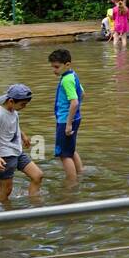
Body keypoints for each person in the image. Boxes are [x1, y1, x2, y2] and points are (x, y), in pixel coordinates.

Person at [0, 84, 42, 201]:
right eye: (23, 104)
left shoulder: (13, 110)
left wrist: (23, 136)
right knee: (6, 190)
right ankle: (2, 214)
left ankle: (35, 206)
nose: (24, 107)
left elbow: (13, 125)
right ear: (11, 101)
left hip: (17, 151)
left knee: (37, 175)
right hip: (4, 156)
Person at [49, 48, 85, 183]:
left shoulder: (66, 80)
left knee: (64, 155)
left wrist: (68, 123)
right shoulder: (73, 75)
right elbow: (82, 93)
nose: (54, 70)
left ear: (67, 64)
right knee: (70, 149)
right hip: (75, 118)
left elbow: (74, 102)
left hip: (66, 120)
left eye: (57, 67)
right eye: (52, 67)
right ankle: (80, 172)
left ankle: (71, 183)